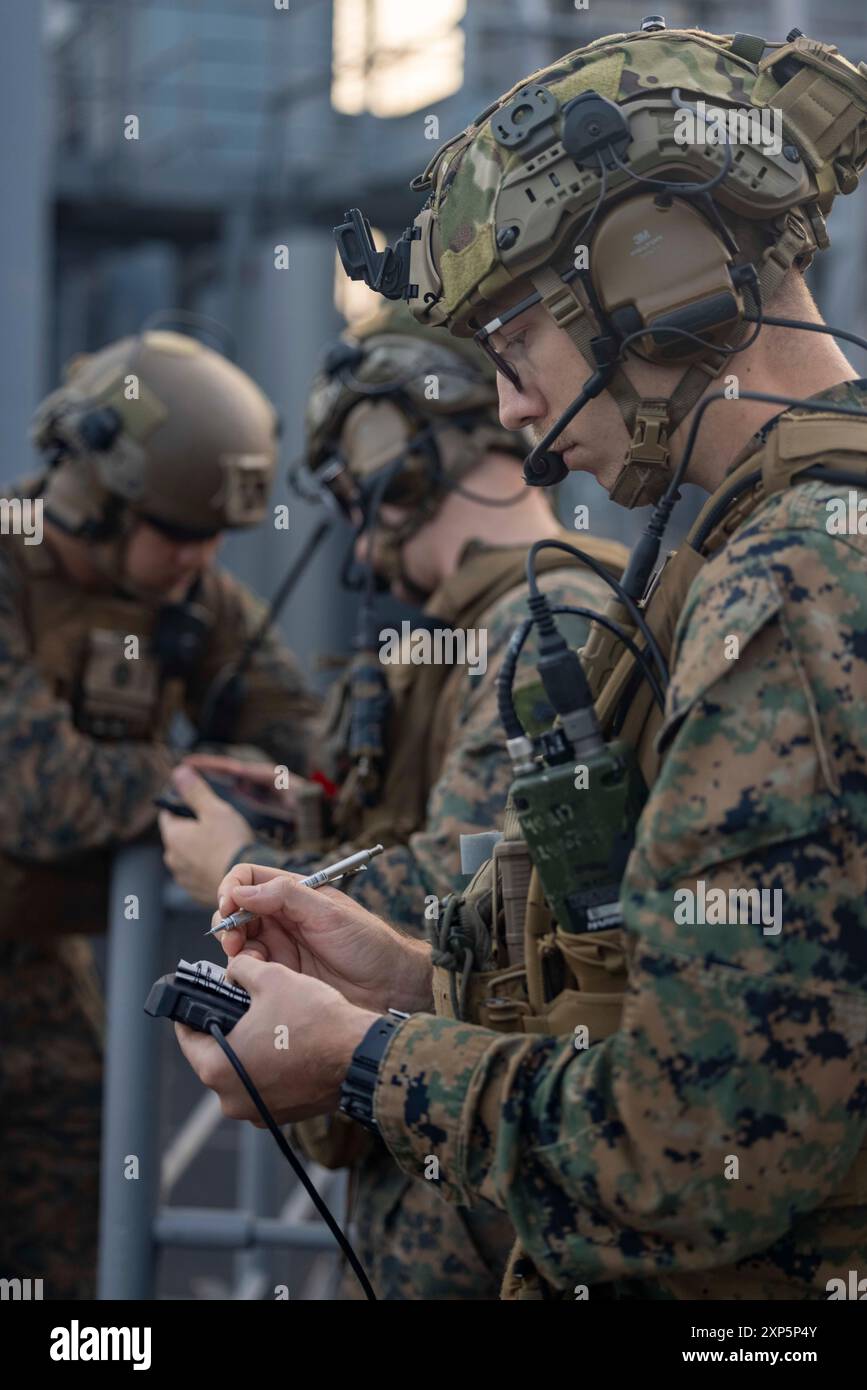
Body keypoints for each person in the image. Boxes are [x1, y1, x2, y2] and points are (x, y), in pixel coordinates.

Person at [178, 23, 867, 1299]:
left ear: (650, 274)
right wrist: (414, 977)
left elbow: (690, 1149)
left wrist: (367, 1059)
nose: (510, 407)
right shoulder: (777, 550)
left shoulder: (795, 586)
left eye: (510, 342)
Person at [161, 301, 628, 1298]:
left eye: (349, 484)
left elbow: (470, 907)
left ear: (394, 455)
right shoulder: (493, 623)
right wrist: (298, 811)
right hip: (435, 1187)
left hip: (479, 1220)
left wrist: (233, 864)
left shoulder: (551, 620)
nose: (356, 535)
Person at [0, 329, 319, 1299]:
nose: (202, 556)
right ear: (96, 497)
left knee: (73, 1214)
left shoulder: (189, 596)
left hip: (31, 959)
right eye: (180, 531)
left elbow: (308, 758)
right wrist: (197, 784)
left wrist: (257, 786)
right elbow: (37, 792)